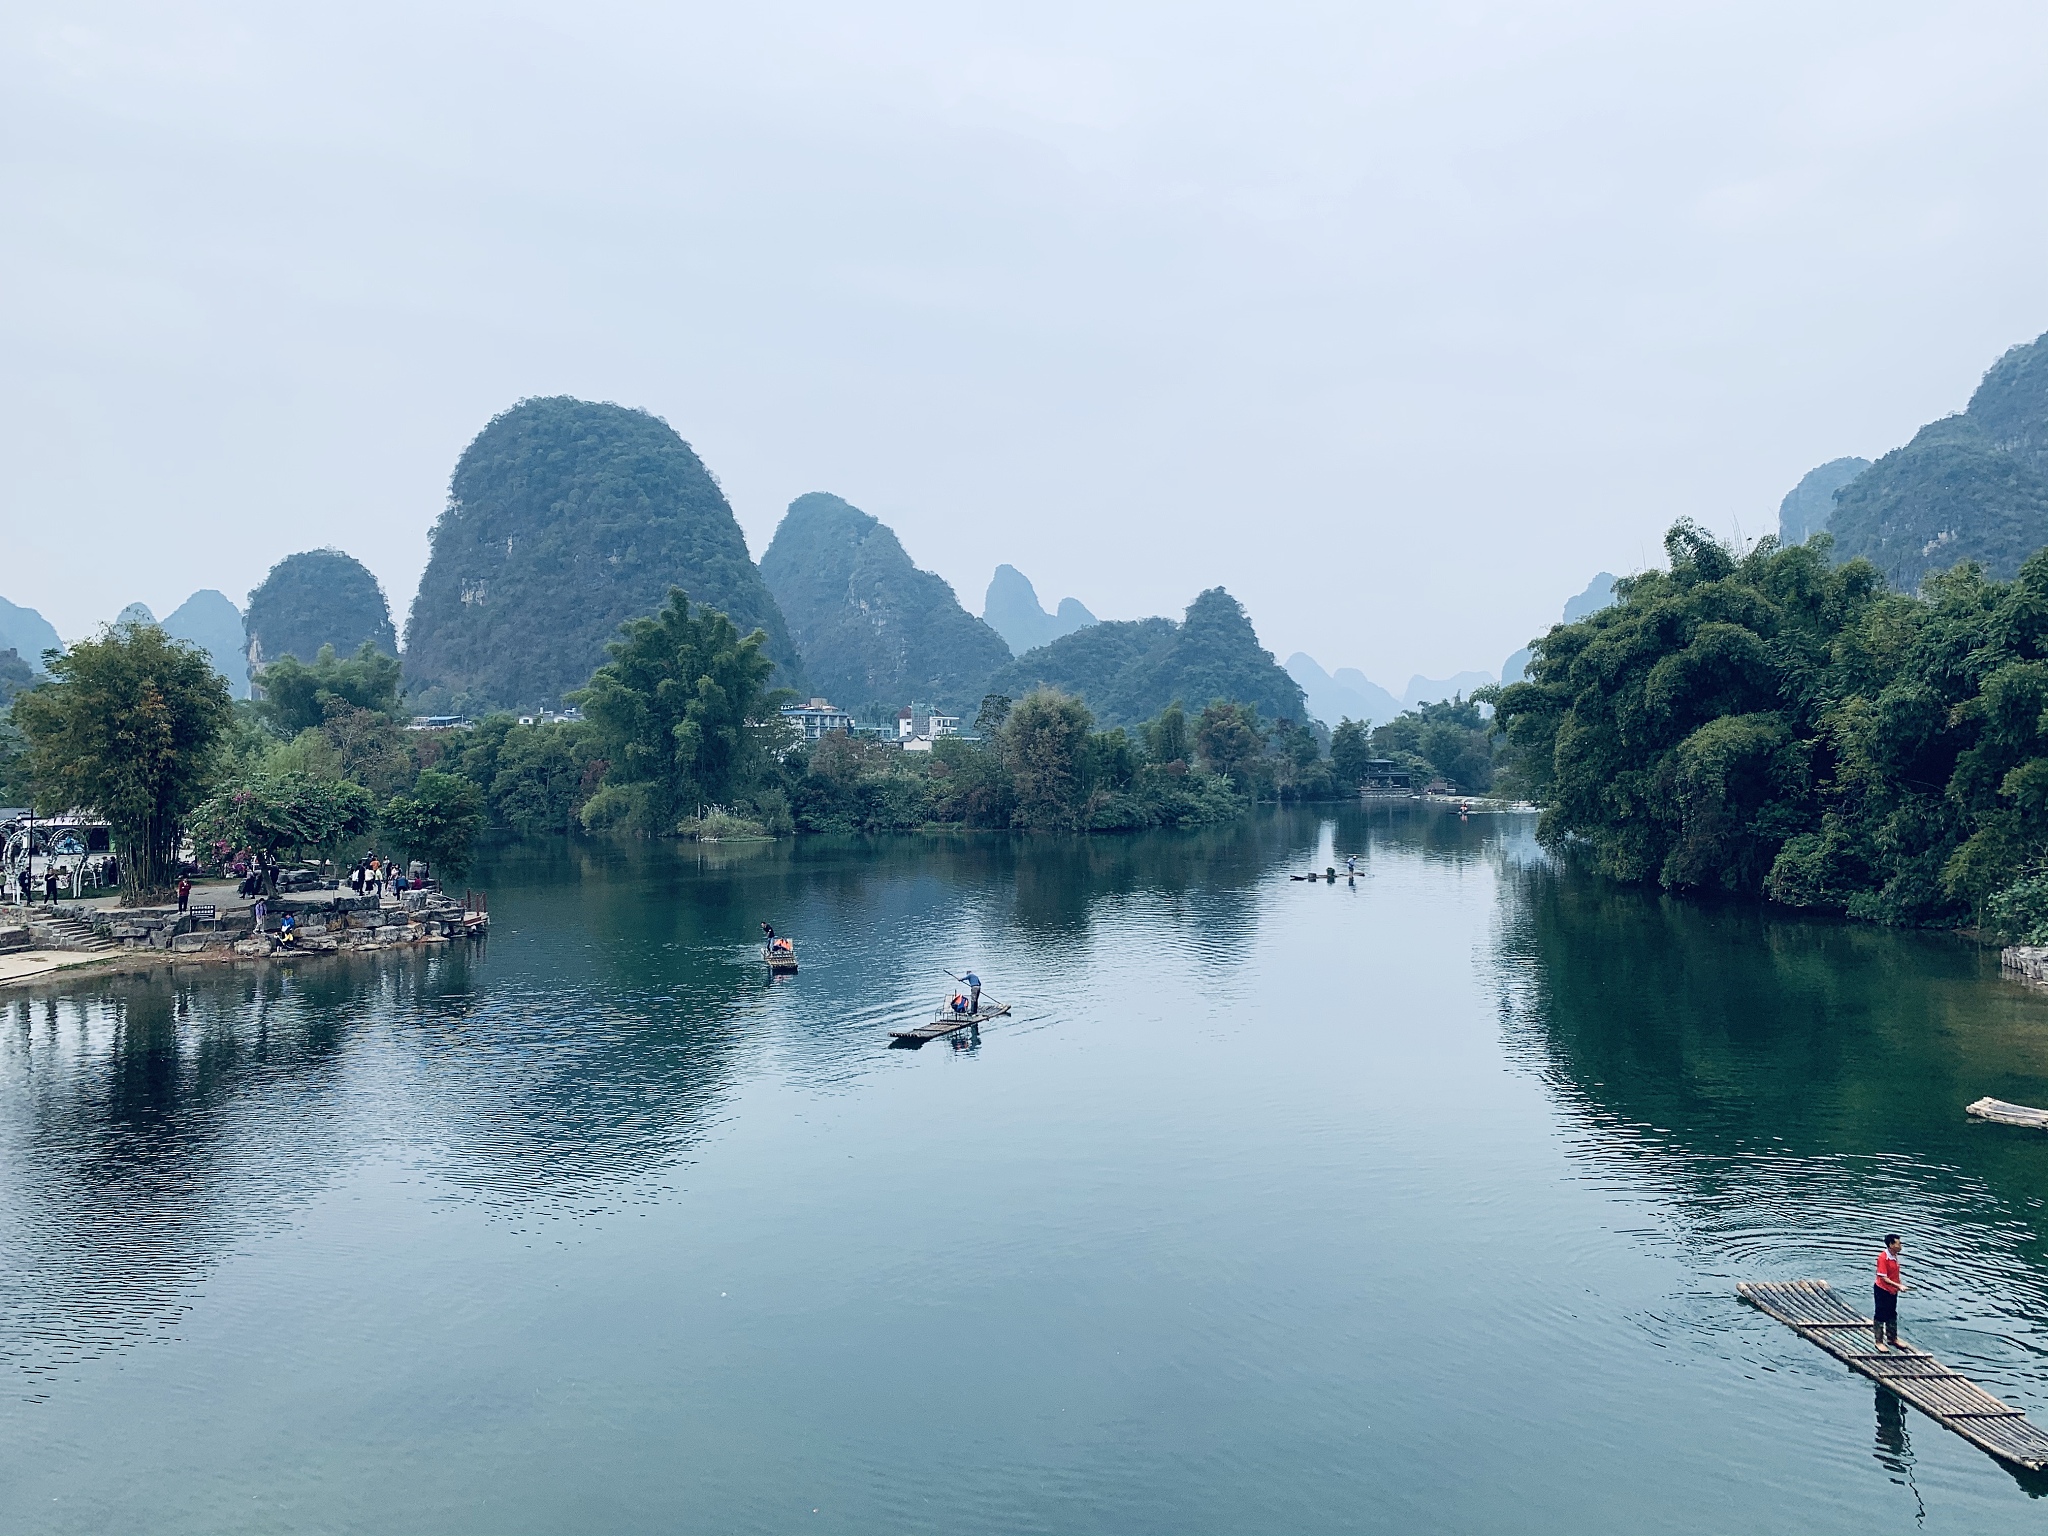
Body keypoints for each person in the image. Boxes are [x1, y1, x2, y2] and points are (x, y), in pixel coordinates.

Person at [1875, 1234, 1904, 1350]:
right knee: (1880, 1315)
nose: (1900, 1245)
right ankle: (1878, 1341)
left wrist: (1898, 1286)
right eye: (1898, 1243)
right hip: (1882, 1290)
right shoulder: (1883, 1258)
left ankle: (1892, 1338)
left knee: (1892, 1314)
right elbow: (1884, 1278)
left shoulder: (1895, 1256)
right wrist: (1899, 1285)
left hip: (1892, 1290)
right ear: (1891, 1245)